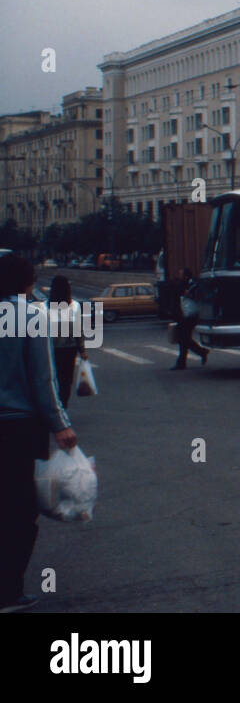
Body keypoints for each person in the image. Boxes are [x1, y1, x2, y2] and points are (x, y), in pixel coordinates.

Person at [0, 254, 77, 613]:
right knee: (18, 511)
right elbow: (44, 380)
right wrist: (60, 425)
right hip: (16, 429)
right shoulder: (30, 316)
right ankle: (8, 591)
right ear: (27, 282)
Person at [46, 275, 83, 408]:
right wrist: (82, 350)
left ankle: (55, 404)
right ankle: (63, 405)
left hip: (51, 348)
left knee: (53, 378)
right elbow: (79, 331)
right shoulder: (74, 306)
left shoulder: (46, 306)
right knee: (66, 380)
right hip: (69, 348)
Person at [171, 268, 209, 370]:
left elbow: (200, 296)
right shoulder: (183, 284)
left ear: (186, 276)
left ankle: (183, 362)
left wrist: (189, 294)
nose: (179, 276)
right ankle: (199, 353)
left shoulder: (194, 284)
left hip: (190, 315)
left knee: (183, 338)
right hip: (185, 314)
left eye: (181, 274)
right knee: (183, 338)